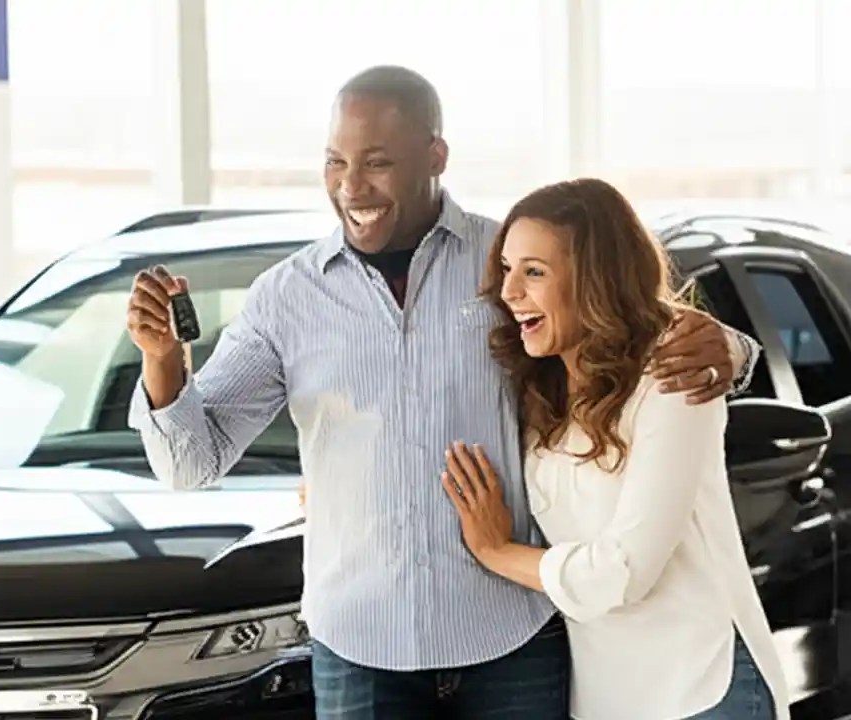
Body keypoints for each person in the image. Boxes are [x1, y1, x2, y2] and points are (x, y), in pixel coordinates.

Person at [125, 65, 761, 718]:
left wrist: (732, 349)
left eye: (376, 162)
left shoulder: (509, 262)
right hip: (363, 648)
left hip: (515, 638)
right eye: (335, 162)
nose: (351, 186)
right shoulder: (285, 298)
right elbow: (189, 464)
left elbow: (620, 328)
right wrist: (164, 363)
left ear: (436, 156)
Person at [440, 177, 787, 719]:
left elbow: (624, 570)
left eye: (534, 272)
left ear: (595, 281)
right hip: (607, 695)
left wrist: (496, 552)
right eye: (507, 269)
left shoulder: (672, 378)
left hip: (701, 687)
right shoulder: (537, 383)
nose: (508, 292)